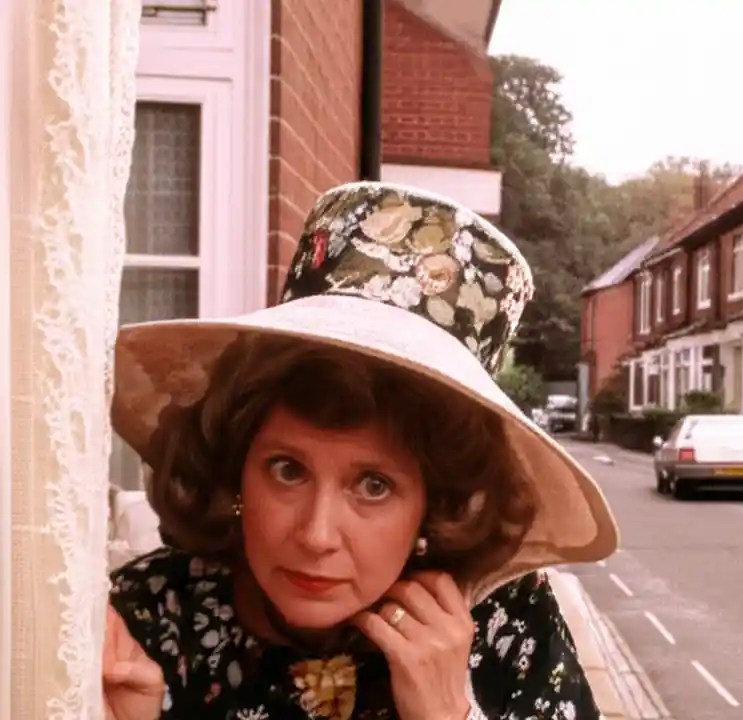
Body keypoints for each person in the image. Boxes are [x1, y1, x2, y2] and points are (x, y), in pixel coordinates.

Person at [103, 182, 620, 720]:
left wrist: (447, 713)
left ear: (434, 507)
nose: (316, 535)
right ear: (236, 468)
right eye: (287, 470)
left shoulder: (506, 624)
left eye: (374, 485)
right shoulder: (151, 617)